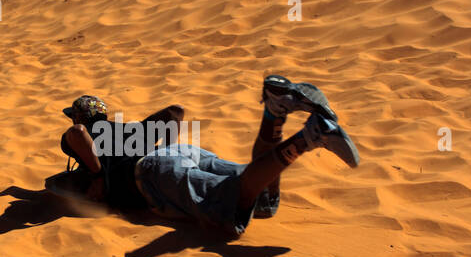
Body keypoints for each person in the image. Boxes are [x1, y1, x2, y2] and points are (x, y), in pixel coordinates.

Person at [59, 76, 359, 238]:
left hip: (153, 174)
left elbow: (77, 136)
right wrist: (171, 150)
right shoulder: (128, 129)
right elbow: (174, 112)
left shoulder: (82, 131)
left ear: (79, 118)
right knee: (262, 195)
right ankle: (273, 112)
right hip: (179, 154)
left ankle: (309, 136)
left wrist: (98, 177)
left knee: (241, 197)